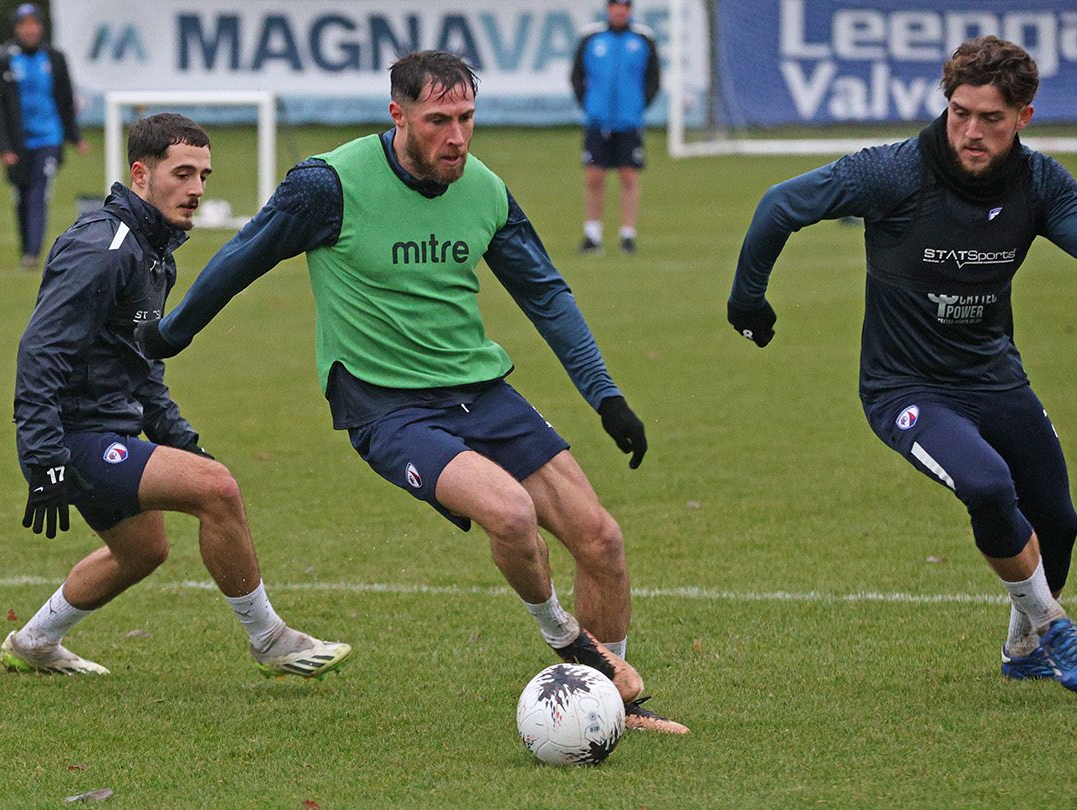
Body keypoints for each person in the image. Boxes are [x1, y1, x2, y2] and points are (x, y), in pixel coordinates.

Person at [137, 51, 687, 734]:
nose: (456, 136)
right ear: (397, 115)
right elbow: (243, 256)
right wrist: (171, 334)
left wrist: (605, 396)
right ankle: (572, 644)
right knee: (511, 515)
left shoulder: (484, 187)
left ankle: (617, 711)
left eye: (466, 118)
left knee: (601, 539)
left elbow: (545, 296)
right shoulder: (328, 186)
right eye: (438, 121)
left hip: (479, 390)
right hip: (386, 405)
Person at [727, 36, 1077, 695]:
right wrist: (749, 298)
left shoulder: (1040, 182)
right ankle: (1051, 624)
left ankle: (1021, 646)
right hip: (904, 388)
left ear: (1024, 116)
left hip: (995, 379)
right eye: (959, 112)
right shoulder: (894, 172)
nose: (969, 130)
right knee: (989, 485)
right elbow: (779, 205)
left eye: (990, 118)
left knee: (1058, 521)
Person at [5, 112, 351, 680]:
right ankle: (269, 639)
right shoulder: (105, 247)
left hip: (105, 430)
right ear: (141, 173)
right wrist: (44, 458)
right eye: (182, 173)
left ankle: (34, 641)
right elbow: (40, 352)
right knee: (217, 491)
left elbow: (141, 364)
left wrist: (181, 442)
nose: (196, 190)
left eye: (204, 176)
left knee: (144, 552)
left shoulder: (152, 250)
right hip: (71, 441)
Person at [0, 3, 90, 271]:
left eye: (34, 24)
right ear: (17, 28)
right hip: (18, 143)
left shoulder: (54, 58)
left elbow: (65, 100)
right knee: (21, 196)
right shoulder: (4, 59)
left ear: (41, 27)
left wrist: (74, 137)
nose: (30, 29)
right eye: (24, 24)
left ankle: (33, 253)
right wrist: (4, 147)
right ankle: (26, 248)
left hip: (49, 138)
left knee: (38, 193)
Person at [571, 0, 660, 255]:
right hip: (597, 121)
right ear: (608, 9)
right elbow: (577, 75)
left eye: (624, 6)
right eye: (615, 6)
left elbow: (653, 78)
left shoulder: (643, 39)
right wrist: (589, 105)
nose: (619, 11)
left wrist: (638, 106)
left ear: (630, 10)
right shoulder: (591, 38)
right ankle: (592, 234)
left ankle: (628, 234)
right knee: (594, 177)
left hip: (629, 122)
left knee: (628, 176)